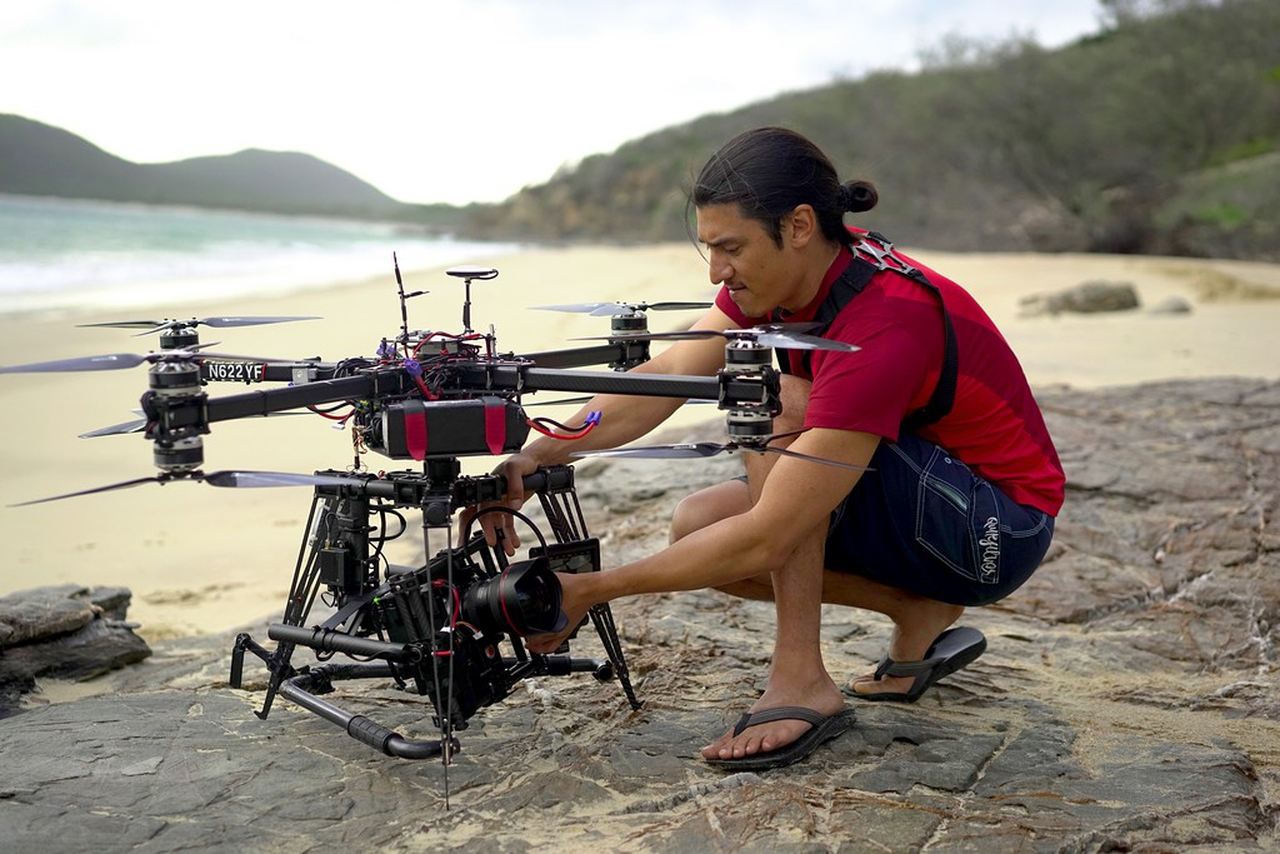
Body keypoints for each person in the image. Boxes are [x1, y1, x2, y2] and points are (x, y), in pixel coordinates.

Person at [479, 126, 1064, 771]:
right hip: (924, 504)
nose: (715, 271)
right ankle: (917, 609)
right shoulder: (784, 282)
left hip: (995, 530)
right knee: (697, 525)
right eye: (708, 248)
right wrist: (540, 453)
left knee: (775, 397)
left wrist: (593, 588)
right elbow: (668, 376)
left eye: (730, 248)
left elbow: (770, 536)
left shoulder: (884, 319)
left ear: (800, 225)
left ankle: (801, 681)